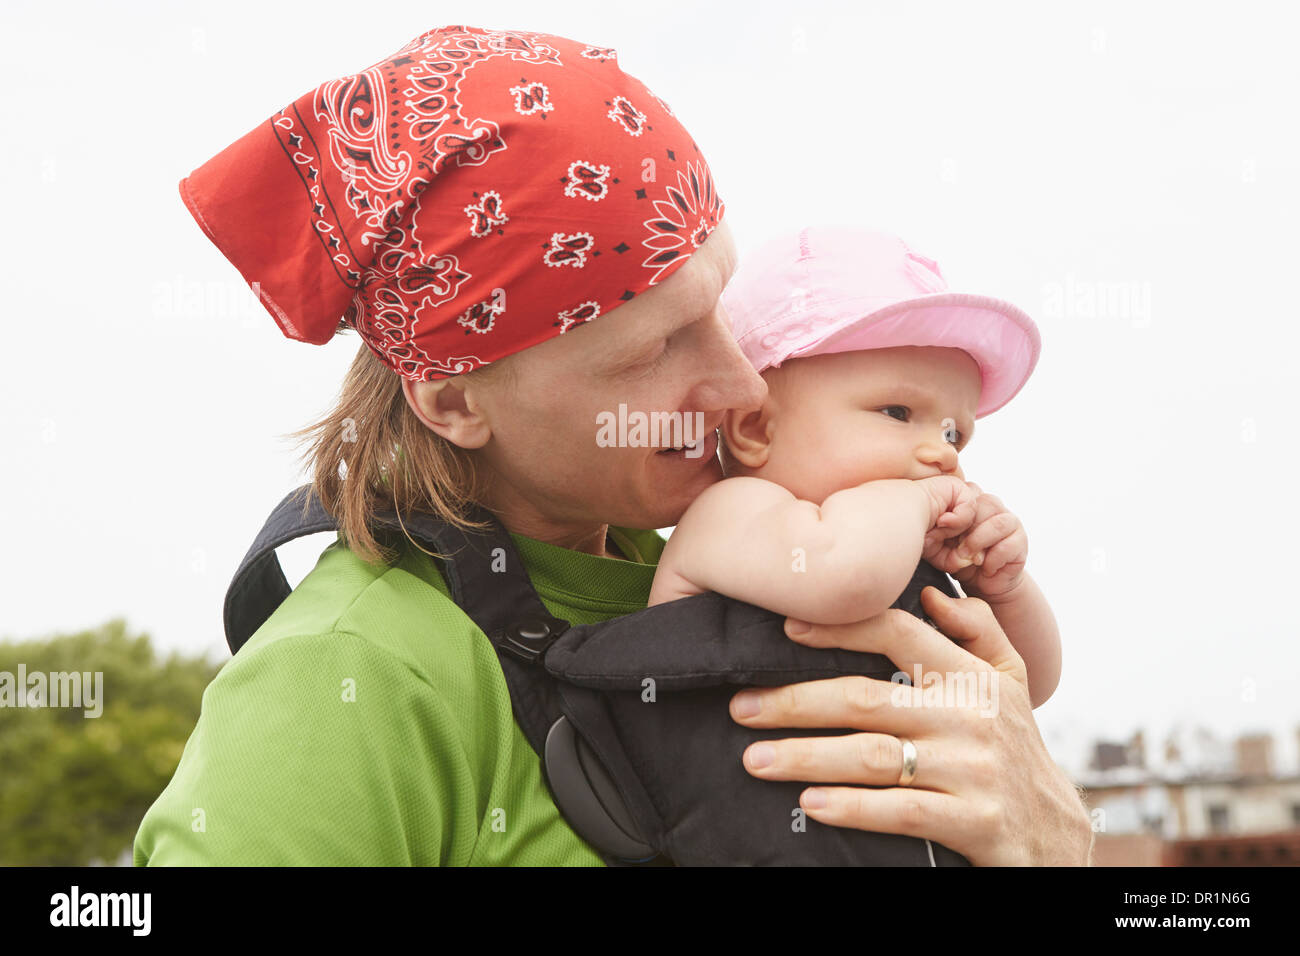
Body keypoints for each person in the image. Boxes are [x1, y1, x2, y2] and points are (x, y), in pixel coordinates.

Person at [133, 24, 1093, 866]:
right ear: (456, 399)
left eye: (718, 308)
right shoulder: (345, 683)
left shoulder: (679, 556)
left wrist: (1050, 843)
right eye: (657, 347)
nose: (742, 385)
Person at [648, 225, 1062, 709]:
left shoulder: (901, 545)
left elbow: (1025, 688)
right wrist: (916, 500)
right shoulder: (730, 512)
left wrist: (1000, 588)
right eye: (897, 413)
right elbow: (844, 577)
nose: (944, 454)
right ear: (757, 429)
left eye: (954, 434)